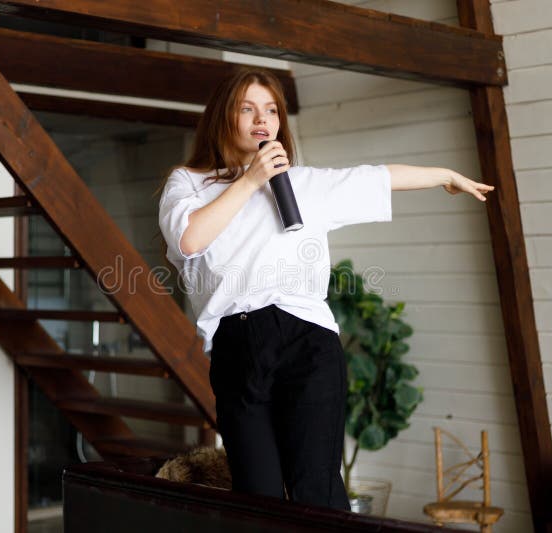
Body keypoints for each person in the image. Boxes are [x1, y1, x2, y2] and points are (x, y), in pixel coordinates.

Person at [155, 67, 493, 512]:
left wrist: (444, 173)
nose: (263, 119)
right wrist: (250, 179)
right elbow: (190, 239)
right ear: (224, 115)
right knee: (258, 497)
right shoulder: (188, 184)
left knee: (317, 489)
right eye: (248, 108)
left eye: (272, 110)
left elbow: (376, 177)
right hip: (238, 346)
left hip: (308, 341)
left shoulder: (304, 184)